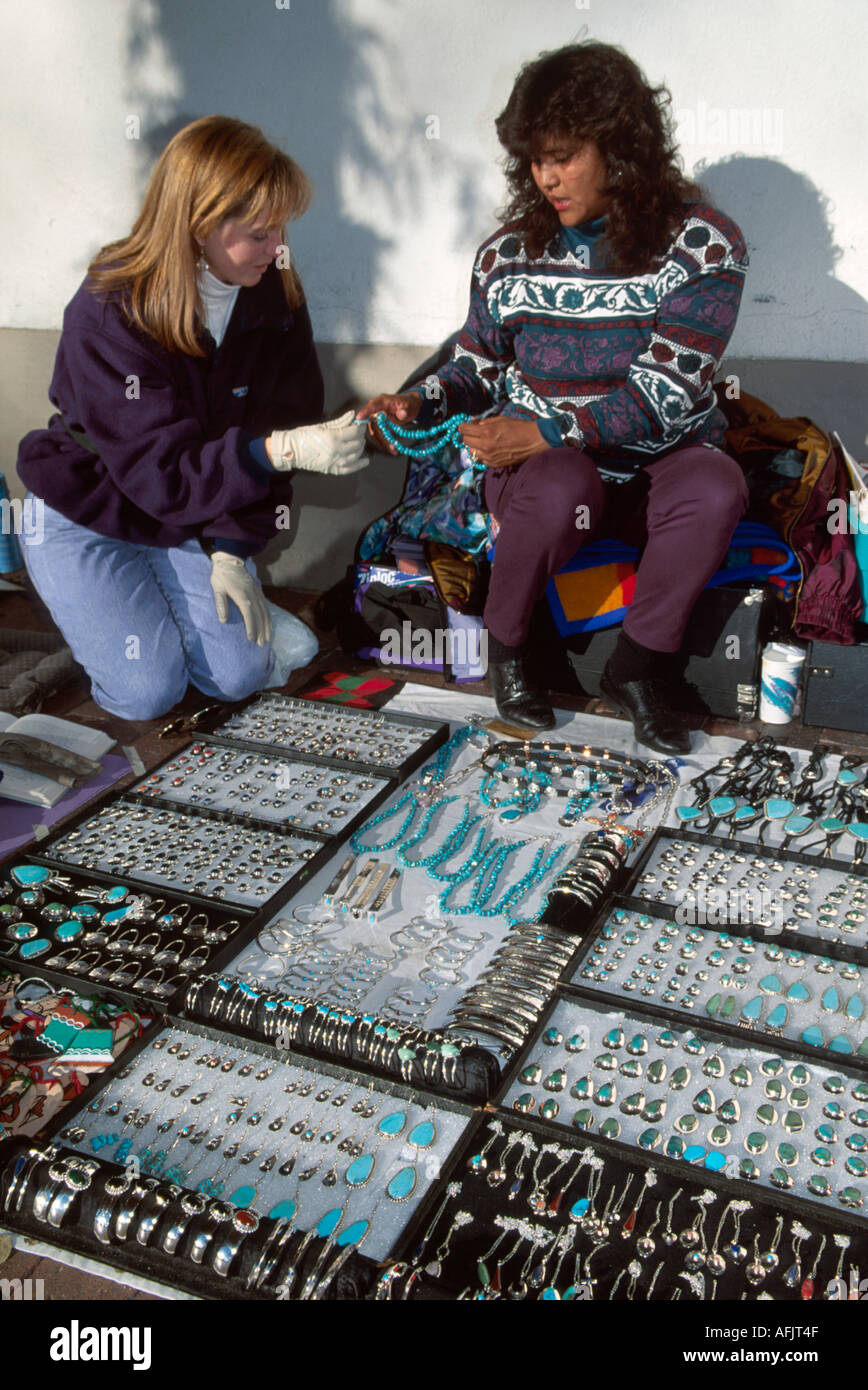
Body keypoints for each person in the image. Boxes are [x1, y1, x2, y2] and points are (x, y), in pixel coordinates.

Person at [359, 41, 749, 753]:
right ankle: (509, 653)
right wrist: (422, 402)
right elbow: (475, 365)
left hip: (658, 459)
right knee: (563, 476)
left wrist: (544, 430)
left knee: (716, 486)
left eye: (564, 156)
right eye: (536, 158)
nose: (546, 178)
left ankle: (637, 669)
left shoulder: (702, 246)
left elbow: (664, 393)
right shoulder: (507, 254)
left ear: (622, 148)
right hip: (552, 478)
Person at [18, 115, 366, 722]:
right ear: (201, 223)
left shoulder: (274, 293)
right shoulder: (110, 309)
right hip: (86, 506)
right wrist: (279, 452)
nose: (278, 246)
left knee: (238, 677)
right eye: (259, 233)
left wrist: (233, 548)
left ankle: (168, 617)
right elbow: (169, 473)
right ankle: (116, 624)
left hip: (189, 512)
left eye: (281, 228)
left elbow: (270, 428)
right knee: (145, 693)